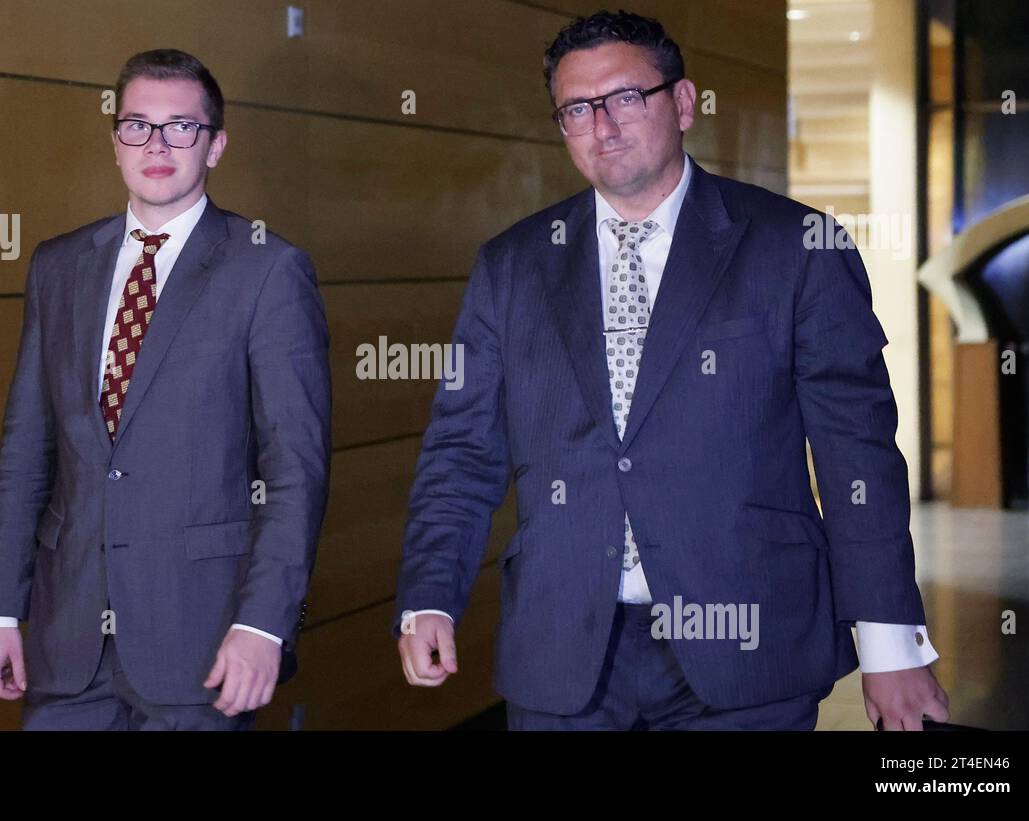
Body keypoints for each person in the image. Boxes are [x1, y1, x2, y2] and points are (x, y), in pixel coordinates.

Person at [394, 11, 950, 731]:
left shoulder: (796, 246)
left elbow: (858, 455)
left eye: (627, 97)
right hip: (564, 651)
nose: (603, 126)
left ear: (683, 103)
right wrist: (429, 595)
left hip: (747, 644)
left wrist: (888, 642)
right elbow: (461, 451)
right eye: (576, 110)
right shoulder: (513, 265)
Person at [0, 49, 330, 730]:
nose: (157, 145)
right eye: (138, 125)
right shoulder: (58, 265)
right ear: (115, 142)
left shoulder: (268, 269)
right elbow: (25, 452)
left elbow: (296, 471)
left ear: (216, 145)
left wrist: (264, 622)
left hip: (203, 641)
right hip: (65, 638)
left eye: (181, 128)